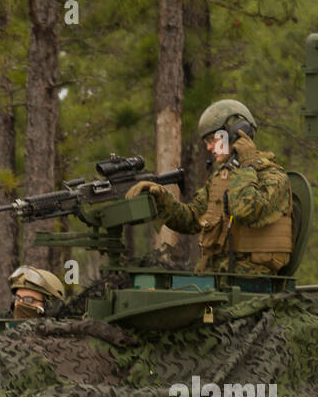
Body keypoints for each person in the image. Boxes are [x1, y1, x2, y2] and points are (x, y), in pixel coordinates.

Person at [125, 99, 294, 275]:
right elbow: (191, 219)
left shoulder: (273, 176)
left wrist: (247, 165)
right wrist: (160, 198)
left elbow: (245, 211)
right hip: (216, 278)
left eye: (213, 139)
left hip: (250, 284)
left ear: (237, 133)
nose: (208, 147)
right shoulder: (222, 178)